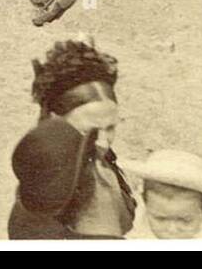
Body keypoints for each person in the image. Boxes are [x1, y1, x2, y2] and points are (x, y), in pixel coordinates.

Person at [8, 40, 135, 239]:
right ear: (56, 121)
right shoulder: (50, 184)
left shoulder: (103, 164)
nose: (103, 142)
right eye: (90, 131)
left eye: (110, 128)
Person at [122, 150, 202, 240]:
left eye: (185, 221)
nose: (171, 230)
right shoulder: (132, 221)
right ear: (145, 204)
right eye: (160, 219)